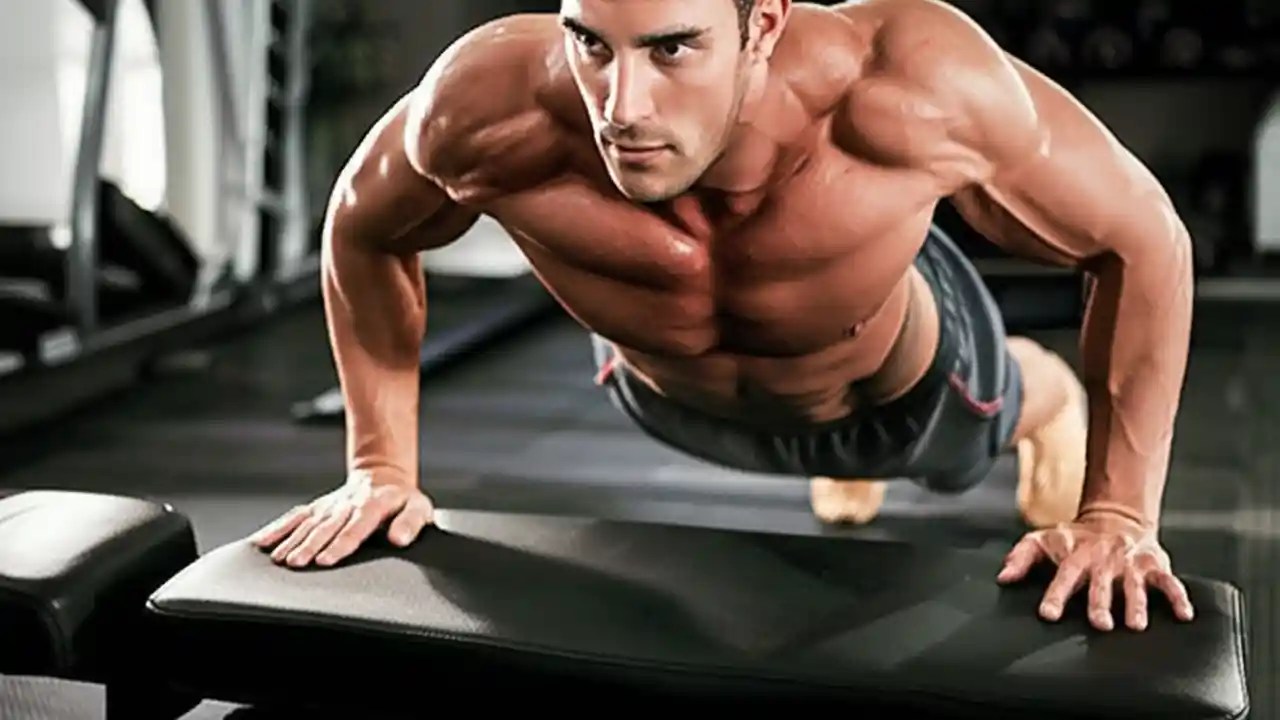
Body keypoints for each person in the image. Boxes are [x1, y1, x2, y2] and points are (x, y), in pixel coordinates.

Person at [251, 0, 1197, 633]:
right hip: (665, 402)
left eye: (672, 48)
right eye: (591, 41)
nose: (621, 105)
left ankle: (1050, 401)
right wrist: (379, 467)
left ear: (763, 24)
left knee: (982, 428)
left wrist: (1116, 512)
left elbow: (1144, 237)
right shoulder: (490, 109)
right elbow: (362, 227)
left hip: (914, 401)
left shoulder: (905, 88)